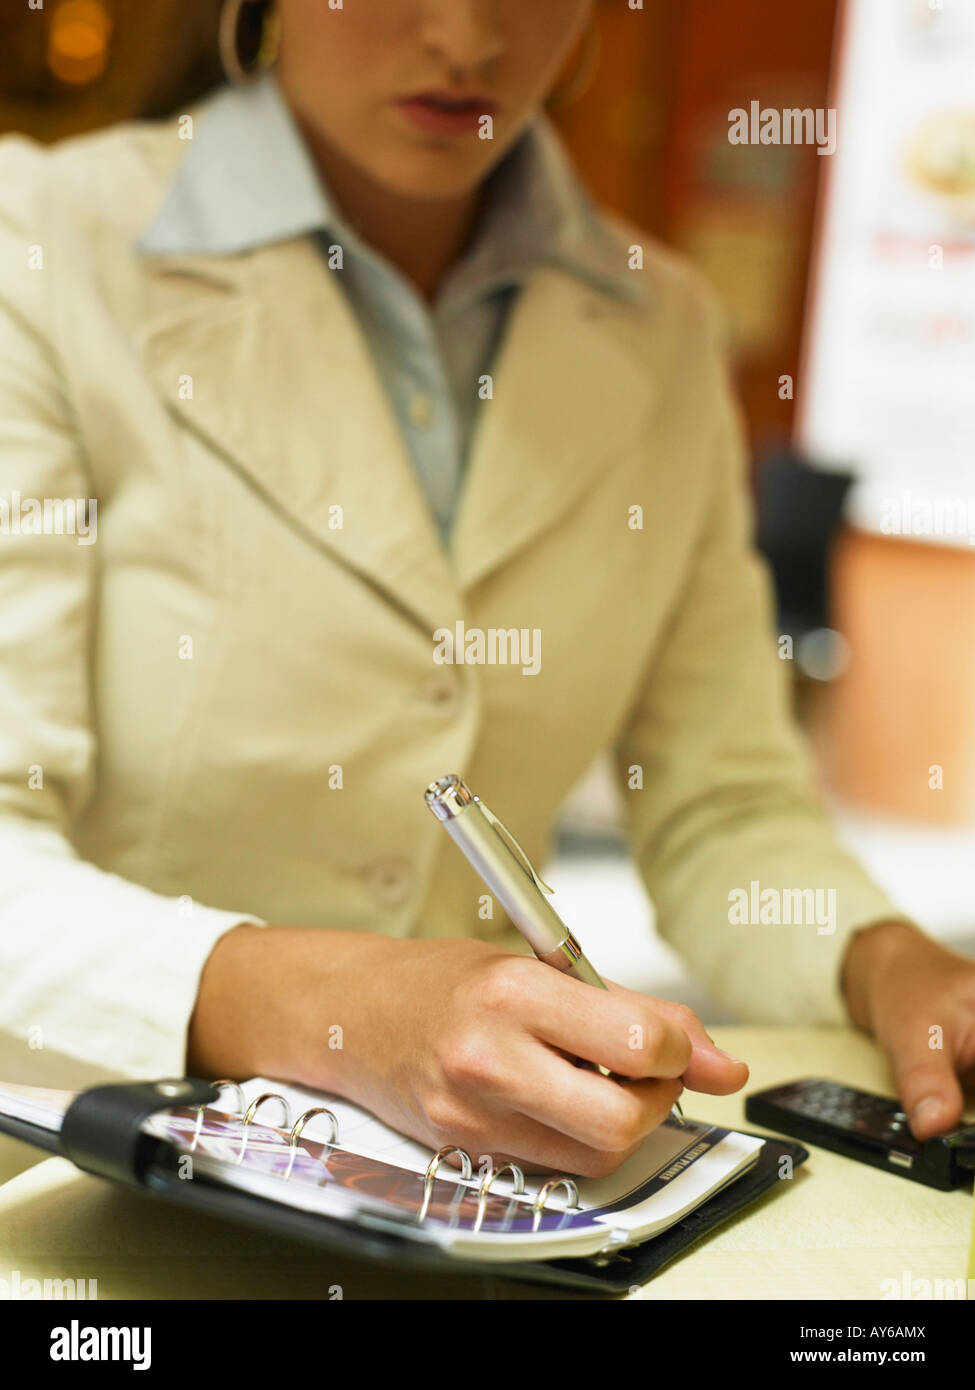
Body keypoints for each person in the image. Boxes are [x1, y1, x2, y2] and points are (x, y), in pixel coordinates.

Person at [0, 0, 971, 1179]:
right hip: (84, 1180)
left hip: (485, 1207)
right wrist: (334, 1005)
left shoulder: (660, 326)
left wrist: (884, 959)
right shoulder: (39, 247)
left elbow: (722, 807)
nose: (466, 38)